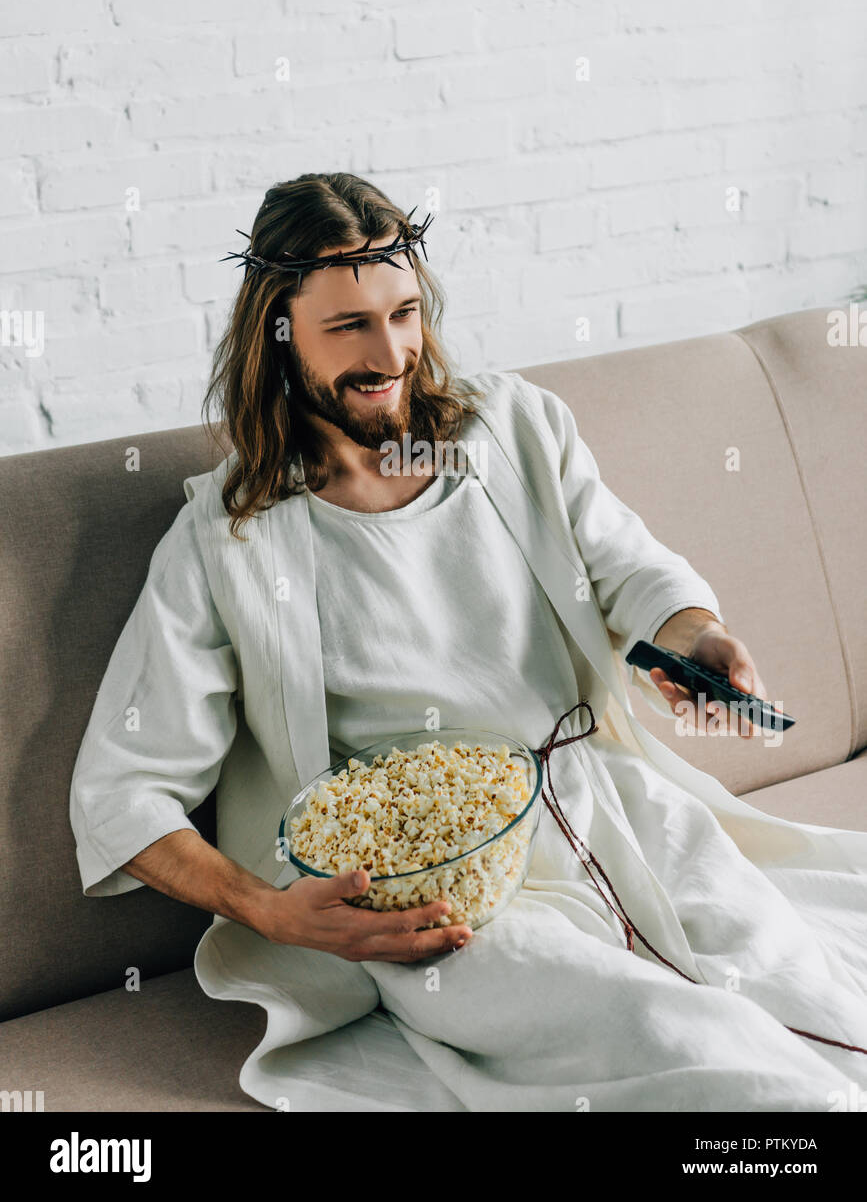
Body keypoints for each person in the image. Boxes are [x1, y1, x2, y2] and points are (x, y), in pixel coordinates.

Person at [70, 172, 867, 1113]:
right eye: (348, 328)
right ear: (276, 338)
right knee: (705, 1056)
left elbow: (629, 571)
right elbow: (122, 792)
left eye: (404, 313)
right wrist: (270, 910)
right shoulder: (226, 540)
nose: (390, 351)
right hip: (442, 899)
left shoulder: (514, 431)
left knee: (810, 994)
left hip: (613, 803)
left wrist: (698, 637)